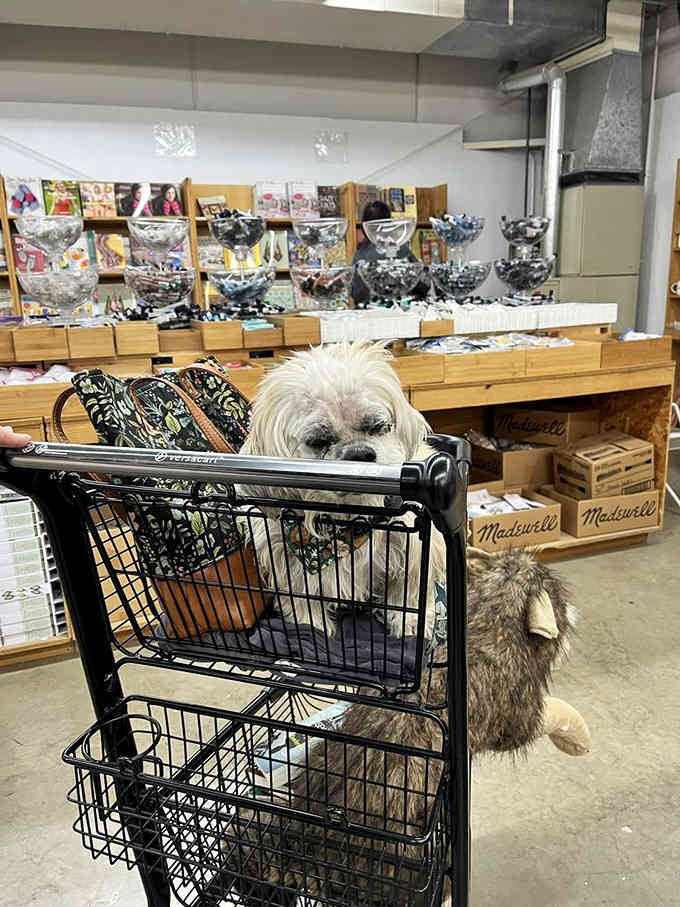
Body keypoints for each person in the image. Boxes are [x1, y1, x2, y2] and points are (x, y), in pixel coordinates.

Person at [351, 200, 429, 305]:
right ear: (389, 222)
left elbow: (355, 293)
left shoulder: (360, 253)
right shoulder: (401, 248)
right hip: (401, 309)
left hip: (371, 310)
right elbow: (423, 285)